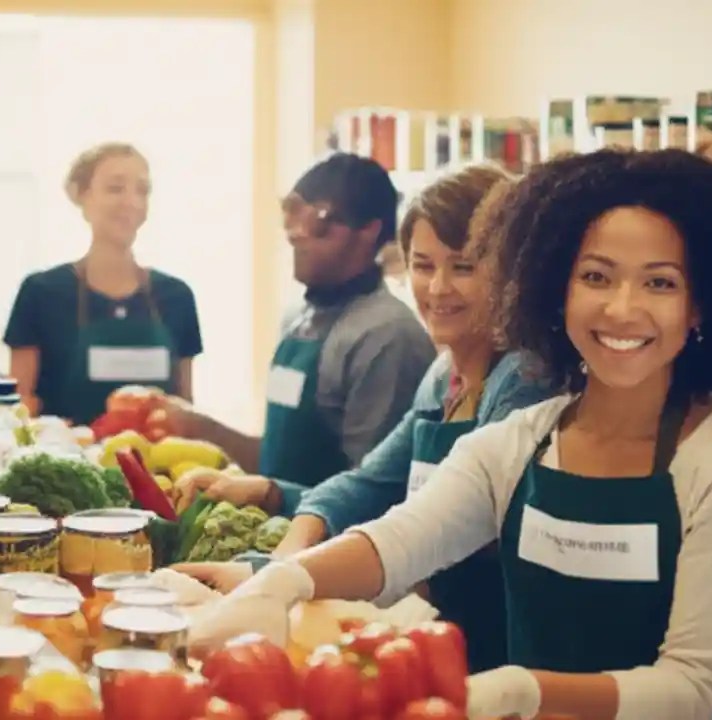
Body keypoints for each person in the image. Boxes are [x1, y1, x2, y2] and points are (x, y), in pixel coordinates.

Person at [188, 149, 712, 720]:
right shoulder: (518, 442)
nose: (621, 308)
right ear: (553, 287)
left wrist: (520, 688)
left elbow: (693, 688)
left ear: (699, 307)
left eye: (660, 283)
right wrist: (281, 580)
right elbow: (399, 539)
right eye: (596, 276)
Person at [175, 164, 552, 672]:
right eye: (423, 265)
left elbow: (460, 534)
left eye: (464, 267)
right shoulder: (445, 377)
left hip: (486, 652)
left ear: (509, 272)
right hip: (420, 632)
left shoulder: (523, 380)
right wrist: (282, 547)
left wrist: (281, 578)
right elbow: (367, 484)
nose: (438, 288)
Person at [163, 153, 436, 508]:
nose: (296, 234)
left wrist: (273, 497)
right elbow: (277, 458)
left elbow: (372, 496)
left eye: (319, 219)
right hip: (278, 532)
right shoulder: (298, 316)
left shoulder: (387, 336)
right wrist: (199, 427)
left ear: (369, 230)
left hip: (327, 552)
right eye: (291, 214)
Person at [4, 142, 203, 425]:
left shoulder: (175, 297)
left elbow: (186, 409)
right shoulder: (42, 292)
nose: (131, 201)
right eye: (115, 188)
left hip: (157, 466)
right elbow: (20, 406)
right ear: (81, 196)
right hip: (67, 463)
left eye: (142, 190)